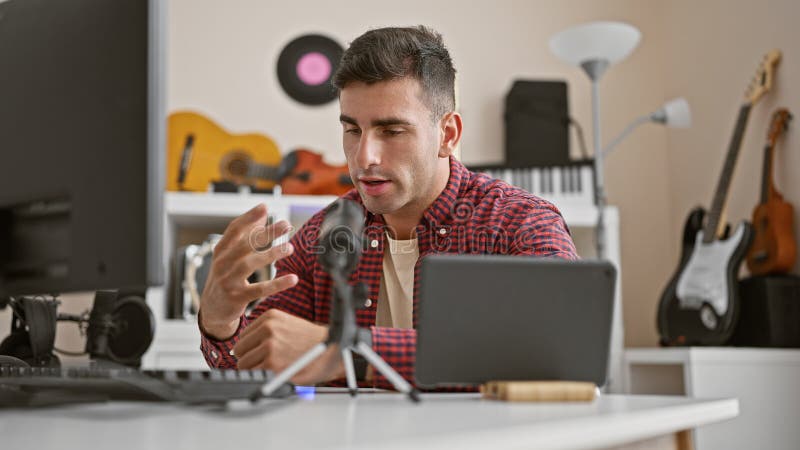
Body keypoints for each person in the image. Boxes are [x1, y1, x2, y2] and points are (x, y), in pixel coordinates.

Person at [198, 26, 578, 389]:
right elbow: (252, 368)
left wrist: (350, 354)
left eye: (391, 131)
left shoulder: (520, 223)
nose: (365, 157)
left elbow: (560, 353)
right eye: (352, 130)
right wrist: (220, 323)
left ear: (448, 135)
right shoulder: (320, 236)